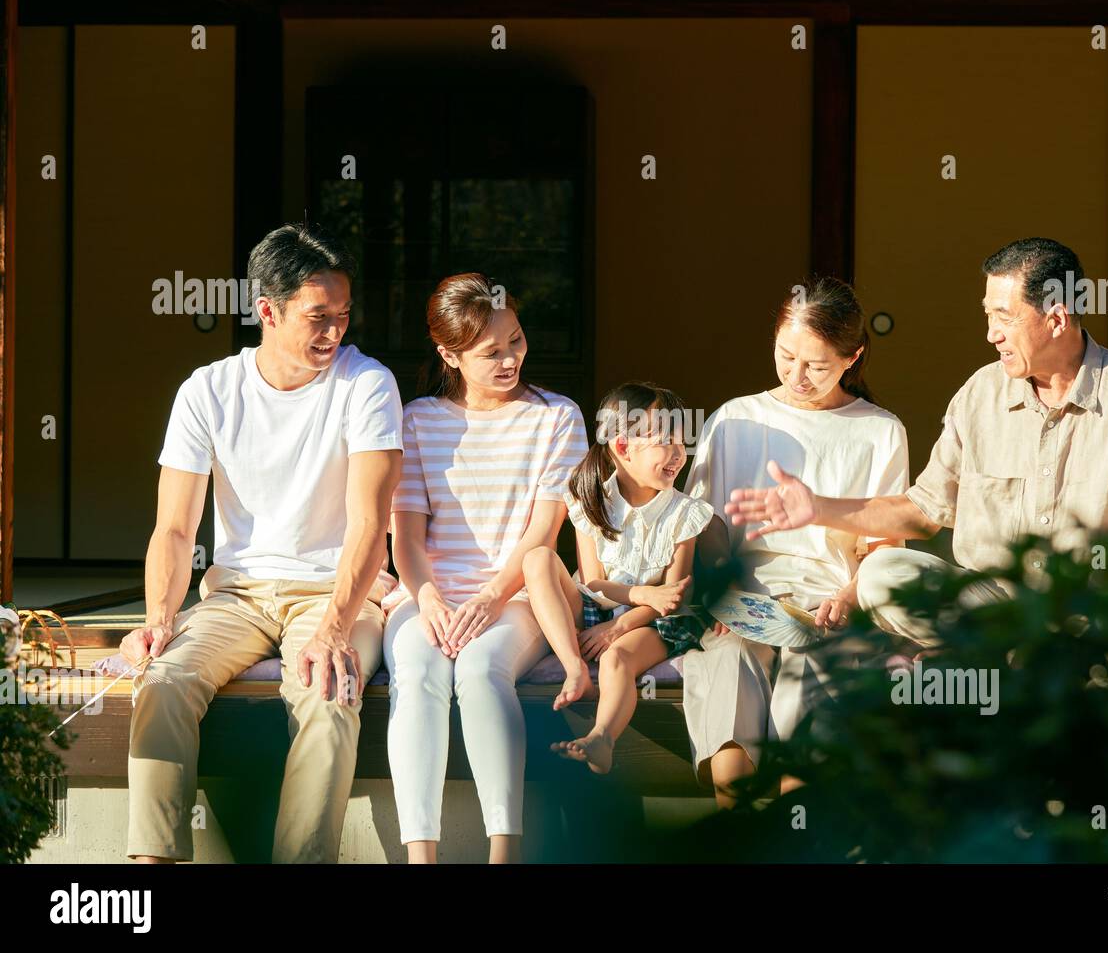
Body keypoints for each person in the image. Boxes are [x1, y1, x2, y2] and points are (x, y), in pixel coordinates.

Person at [726, 237, 1108, 646]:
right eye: (987, 314)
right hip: (990, 612)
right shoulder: (980, 393)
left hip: (1092, 621)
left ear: (1057, 318)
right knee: (883, 572)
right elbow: (921, 511)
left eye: (1004, 316)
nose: (990, 333)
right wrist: (818, 507)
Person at [121, 223, 404, 863]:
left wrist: (334, 625)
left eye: (344, 315)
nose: (335, 331)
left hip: (337, 593)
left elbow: (370, 523)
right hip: (238, 595)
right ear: (268, 311)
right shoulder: (208, 391)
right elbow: (173, 527)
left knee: (330, 695)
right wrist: (158, 620)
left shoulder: (368, 384)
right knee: (162, 680)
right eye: (318, 317)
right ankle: (150, 865)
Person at [683, 275, 909, 805]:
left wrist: (849, 600)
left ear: (853, 357)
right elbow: (704, 526)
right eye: (787, 357)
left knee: (813, 678)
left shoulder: (880, 431)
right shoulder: (735, 418)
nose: (798, 376)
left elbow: (884, 545)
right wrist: (722, 592)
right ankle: (738, 831)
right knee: (730, 664)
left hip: (828, 603)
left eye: (817, 364)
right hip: (742, 600)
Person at [384, 273, 586, 864]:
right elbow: (407, 541)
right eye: (490, 352)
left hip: (520, 595)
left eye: (516, 342)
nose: (510, 361)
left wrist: (490, 598)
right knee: (417, 673)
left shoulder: (557, 417)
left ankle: (504, 850)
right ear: (449, 355)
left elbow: (542, 535)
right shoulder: (417, 419)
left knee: (479, 669)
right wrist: (430, 603)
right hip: (429, 596)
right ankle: (422, 857)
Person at [523, 382, 713, 774]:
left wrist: (624, 623)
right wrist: (641, 593)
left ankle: (601, 738)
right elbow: (593, 582)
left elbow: (672, 597)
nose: (678, 455)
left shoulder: (685, 513)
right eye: (665, 442)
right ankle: (575, 668)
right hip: (597, 608)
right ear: (623, 448)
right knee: (538, 559)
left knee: (616, 659)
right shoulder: (587, 497)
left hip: (653, 622)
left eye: (682, 443)